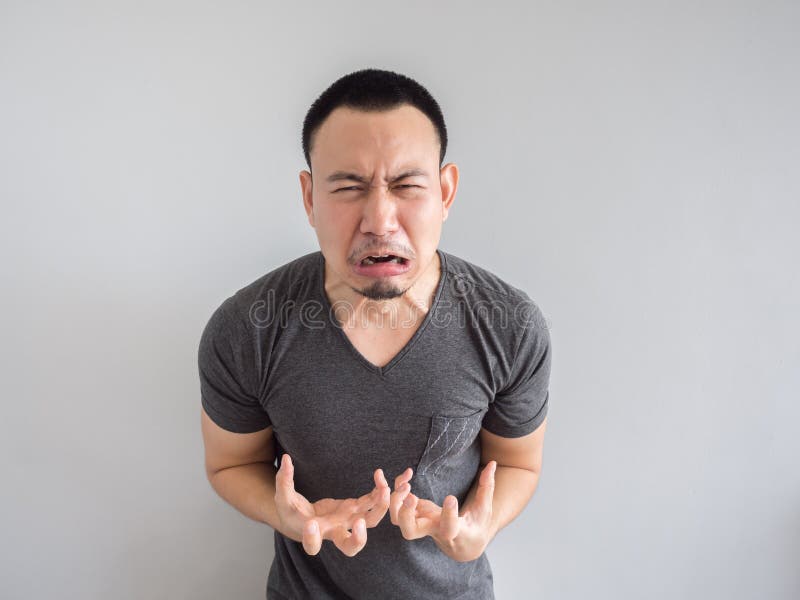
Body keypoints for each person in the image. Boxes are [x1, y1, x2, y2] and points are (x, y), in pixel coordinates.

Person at [198, 67, 552, 600]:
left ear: (446, 192)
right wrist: (290, 517)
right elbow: (231, 461)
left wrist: (481, 528)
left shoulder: (509, 326)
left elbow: (520, 462)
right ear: (309, 196)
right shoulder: (246, 328)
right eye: (348, 187)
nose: (380, 220)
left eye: (408, 185)